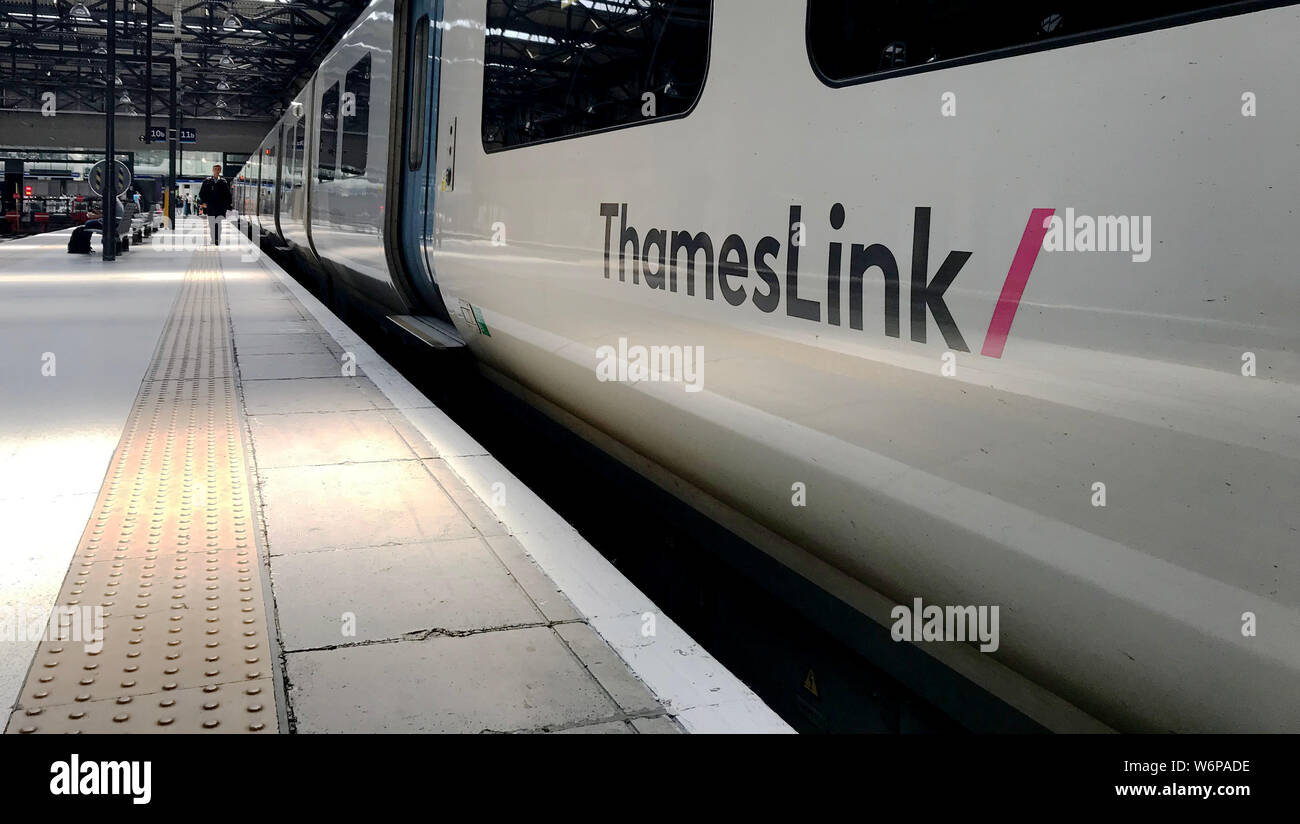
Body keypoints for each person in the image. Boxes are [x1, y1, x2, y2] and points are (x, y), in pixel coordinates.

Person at [197, 165, 232, 246]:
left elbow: (227, 195)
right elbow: (202, 193)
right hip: (210, 206)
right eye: (215, 169)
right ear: (213, 170)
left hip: (220, 207)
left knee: (218, 223)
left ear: (220, 171)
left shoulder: (223, 182)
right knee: (212, 223)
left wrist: (228, 205)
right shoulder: (207, 181)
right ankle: (213, 238)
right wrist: (203, 203)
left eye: (218, 169)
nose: (216, 170)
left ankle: (217, 239)